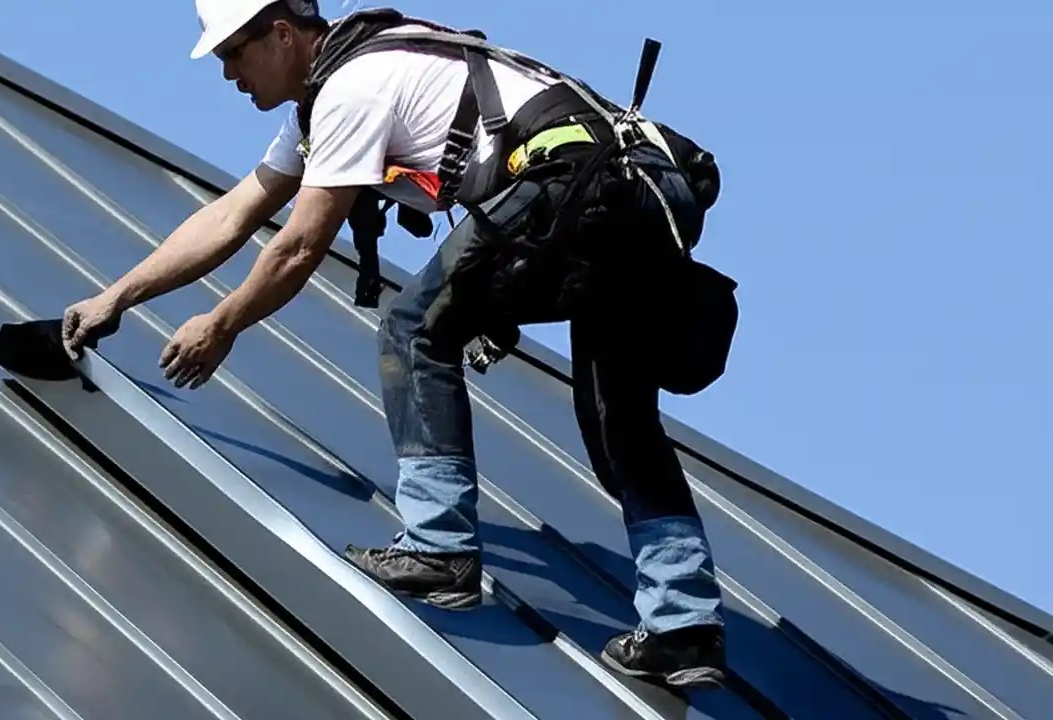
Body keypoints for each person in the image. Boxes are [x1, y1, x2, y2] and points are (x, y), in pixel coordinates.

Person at [60, 0, 731, 690]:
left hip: (574, 186)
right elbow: (234, 214)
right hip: (642, 193)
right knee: (620, 418)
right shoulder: (341, 96)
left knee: (415, 326)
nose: (228, 72)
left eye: (234, 52)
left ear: (283, 34)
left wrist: (223, 322)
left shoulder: (354, 88)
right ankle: (685, 626)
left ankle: (439, 547)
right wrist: (117, 297)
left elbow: (297, 246)